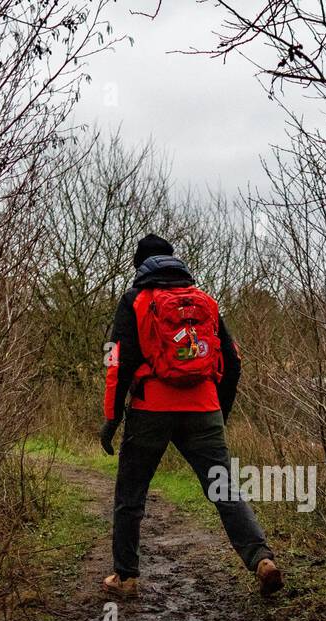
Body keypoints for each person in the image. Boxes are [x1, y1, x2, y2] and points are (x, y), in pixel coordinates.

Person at [99, 233, 283, 596]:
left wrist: (111, 419)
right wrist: (220, 411)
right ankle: (262, 559)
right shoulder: (206, 302)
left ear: (140, 266)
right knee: (224, 488)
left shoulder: (135, 300)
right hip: (204, 408)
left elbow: (116, 363)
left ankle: (126, 577)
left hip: (151, 408)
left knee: (131, 495)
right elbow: (233, 362)